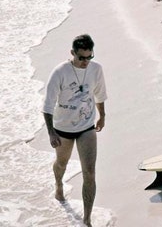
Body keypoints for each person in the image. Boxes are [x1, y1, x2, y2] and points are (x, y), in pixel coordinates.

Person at [42, 34, 106, 227]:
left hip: (86, 127)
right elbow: (47, 105)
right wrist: (51, 132)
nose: (86, 61)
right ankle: (59, 185)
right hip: (62, 129)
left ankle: (87, 219)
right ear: (72, 53)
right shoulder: (60, 72)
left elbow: (99, 94)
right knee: (62, 163)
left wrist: (102, 116)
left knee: (90, 172)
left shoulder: (96, 70)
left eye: (89, 57)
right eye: (81, 57)